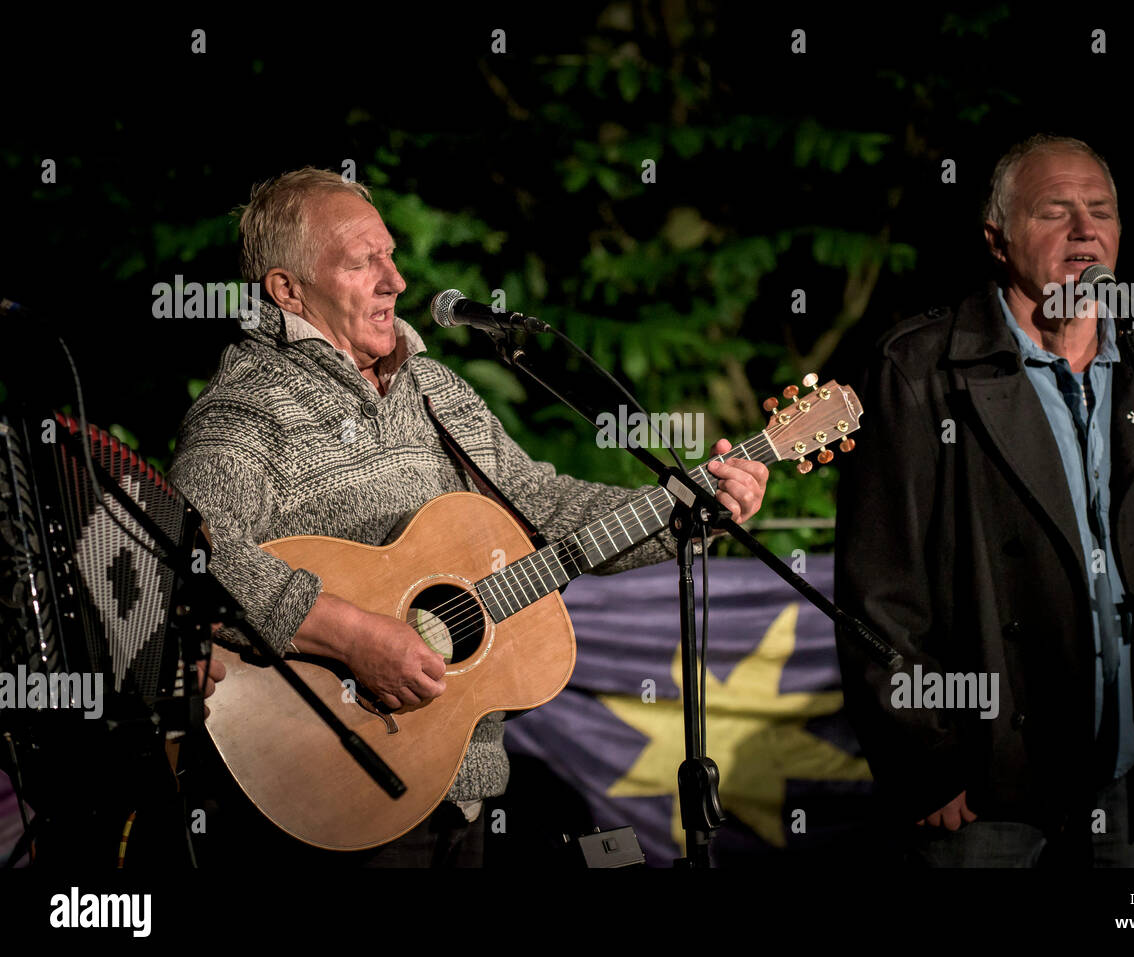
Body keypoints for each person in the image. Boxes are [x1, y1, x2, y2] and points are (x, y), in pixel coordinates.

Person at [168, 168, 768, 866]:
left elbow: (544, 507)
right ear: (287, 289)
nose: (395, 279)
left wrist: (688, 509)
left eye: (391, 255)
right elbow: (190, 550)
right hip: (336, 785)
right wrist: (355, 634)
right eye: (364, 262)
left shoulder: (434, 391)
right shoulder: (250, 406)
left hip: (461, 788)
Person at [833, 135, 1134, 867]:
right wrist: (925, 759)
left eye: (1101, 211)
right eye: (1055, 211)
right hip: (981, 792)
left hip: (1128, 772)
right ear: (997, 240)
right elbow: (880, 595)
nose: (1085, 229)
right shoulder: (920, 369)